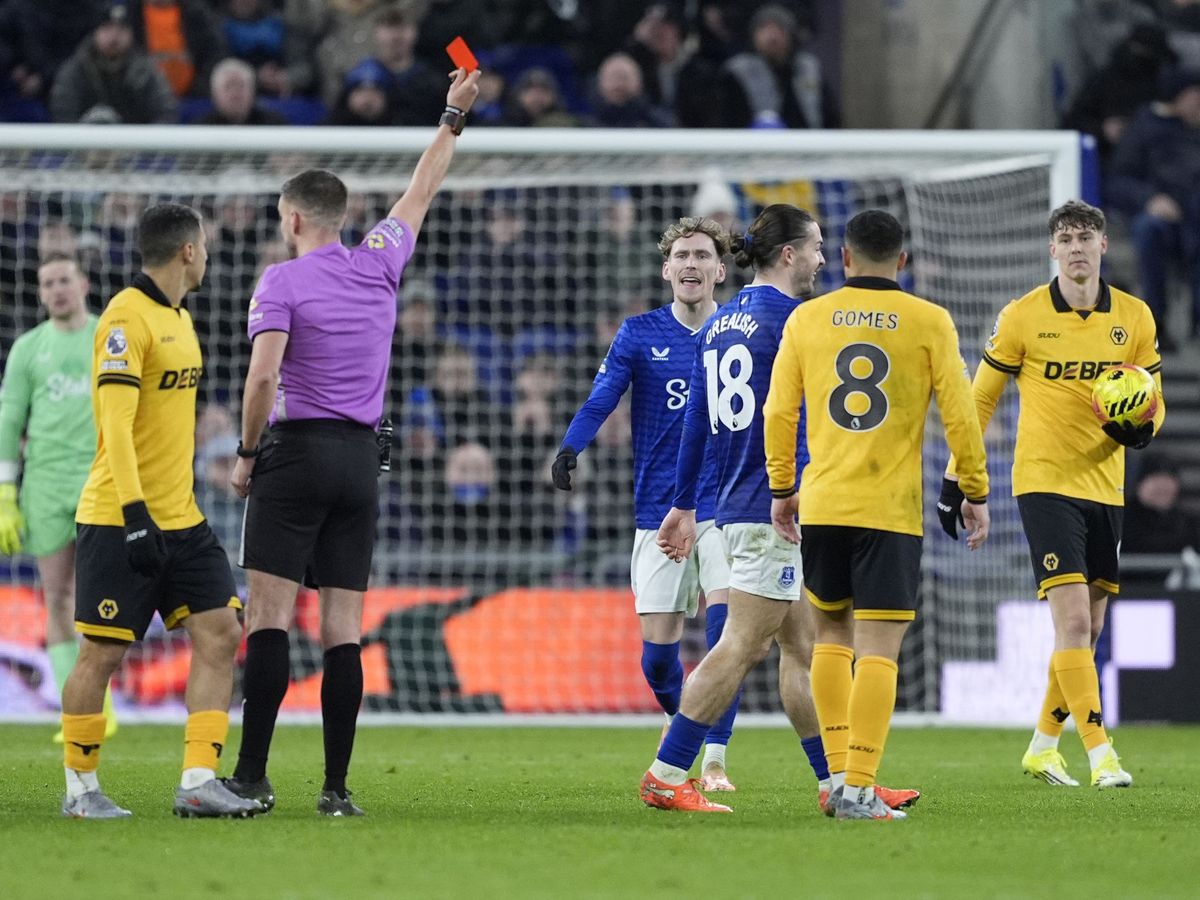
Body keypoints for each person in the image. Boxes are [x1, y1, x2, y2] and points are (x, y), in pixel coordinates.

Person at [224, 66, 481, 817]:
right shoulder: (380, 263)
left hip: (296, 455)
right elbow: (422, 188)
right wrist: (452, 115)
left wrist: (244, 456)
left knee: (269, 619)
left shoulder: (280, 282)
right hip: (361, 464)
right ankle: (336, 790)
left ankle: (252, 777)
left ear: (296, 218)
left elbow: (262, 380)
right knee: (344, 632)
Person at [648, 205, 919, 816]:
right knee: (741, 645)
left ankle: (841, 783)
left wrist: (685, 504)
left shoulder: (720, 324)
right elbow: (799, 414)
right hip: (775, 504)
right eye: (818, 247)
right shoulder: (796, 320)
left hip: (734, 500)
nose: (824, 259)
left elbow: (696, 420)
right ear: (790, 254)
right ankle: (666, 772)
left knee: (806, 648)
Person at [759, 209, 989, 821]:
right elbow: (961, 415)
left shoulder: (808, 318)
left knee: (829, 639)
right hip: (889, 511)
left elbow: (780, 411)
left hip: (825, 505)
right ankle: (860, 786)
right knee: (880, 650)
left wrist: (783, 488)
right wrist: (975, 489)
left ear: (845, 258)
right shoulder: (928, 321)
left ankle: (838, 779)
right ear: (903, 262)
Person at [940, 199, 1164, 790]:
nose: (1075, 247)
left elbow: (1151, 399)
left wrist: (1142, 427)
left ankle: (1042, 747)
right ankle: (1102, 754)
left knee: (1087, 633)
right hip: (1042, 483)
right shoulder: (1023, 316)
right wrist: (960, 476)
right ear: (1052, 250)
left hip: (1106, 487)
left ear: (1103, 247)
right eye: (1065, 238)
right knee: (1070, 624)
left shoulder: (1135, 318)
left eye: (1086, 237)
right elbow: (979, 400)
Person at [60, 203, 260, 819]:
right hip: (120, 515)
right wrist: (134, 512)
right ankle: (81, 789)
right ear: (188, 251)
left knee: (222, 631)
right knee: (102, 652)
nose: (208, 254)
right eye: (204, 244)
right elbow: (114, 427)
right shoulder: (125, 318)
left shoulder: (179, 317)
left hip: (183, 517)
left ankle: (199, 779)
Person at [554, 217, 741, 788]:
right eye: (681, 255)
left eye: (702, 255)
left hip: (726, 502)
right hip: (658, 508)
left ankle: (713, 759)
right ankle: (679, 718)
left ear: (719, 270)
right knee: (658, 659)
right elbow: (602, 396)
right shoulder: (639, 333)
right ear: (667, 270)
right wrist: (569, 447)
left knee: (725, 633)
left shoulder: (740, 334)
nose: (691, 263)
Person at [0, 253, 117, 743]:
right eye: (46, 283)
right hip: (44, 486)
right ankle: (79, 711)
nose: (56, 290)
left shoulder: (109, 337)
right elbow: (10, 418)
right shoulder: (29, 348)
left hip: (101, 479)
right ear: (41, 292)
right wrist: (6, 489)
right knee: (58, 598)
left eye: (63, 280)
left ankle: (100, 701)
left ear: (84, 284)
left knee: (101, 599)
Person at [1106, 67, 1200, 351]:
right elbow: (1117, 181)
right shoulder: (1144, 130)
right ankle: (1155, 323)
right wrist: (1150, 199)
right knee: (1149, 229)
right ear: (1179, 97)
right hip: (1162, 219)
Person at [48, 2, 177, 124]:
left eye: (122, 29)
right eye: (107, 28)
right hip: (83, 144)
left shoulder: (146, 71)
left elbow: (165, 113)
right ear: (95, 32)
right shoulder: (76, 69)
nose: (114, 36)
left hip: (135, 145)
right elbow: (63, 114)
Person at [196, 57, 286, 125]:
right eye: (228, 86)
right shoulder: (199, 131)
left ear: (253, 91)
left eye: (241, 85)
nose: (235, 92)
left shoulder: (275, 126)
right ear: (214, 93)